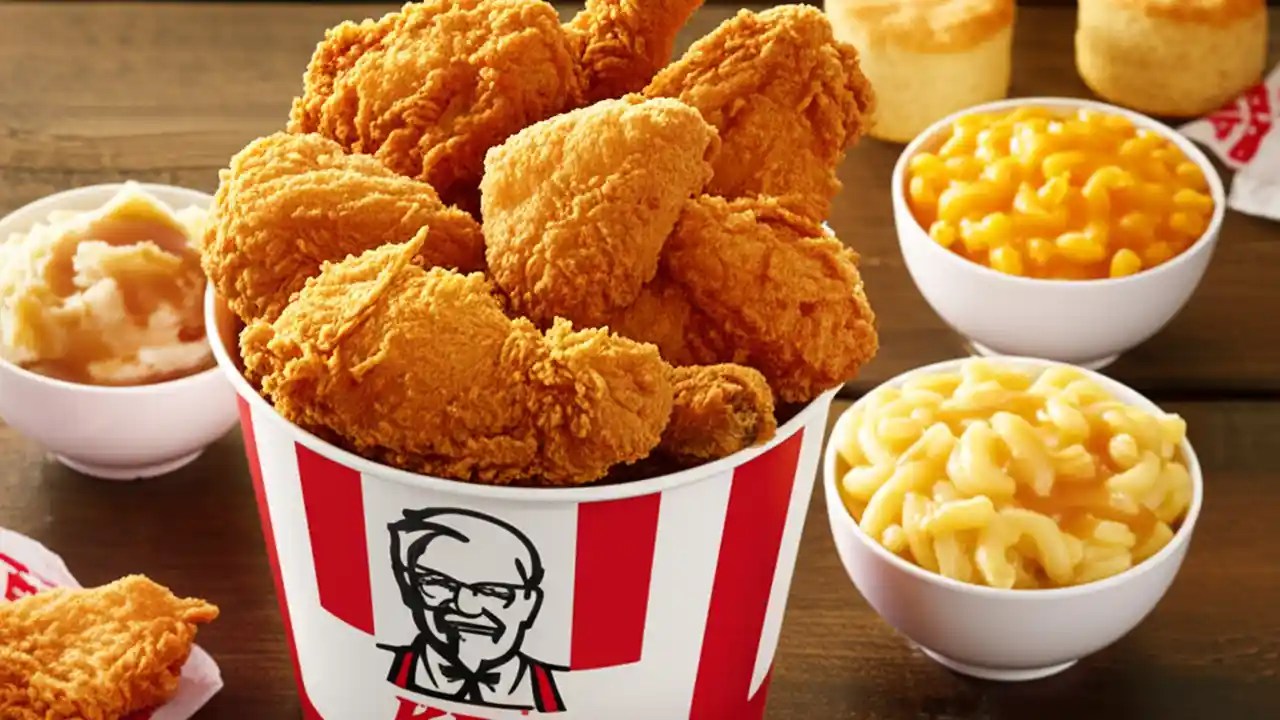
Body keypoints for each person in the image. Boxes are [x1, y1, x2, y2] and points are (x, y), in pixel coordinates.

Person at [380, 509, 565, 713]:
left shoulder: (559, 686)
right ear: (408, 589)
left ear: (529, 605)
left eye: (493, 592)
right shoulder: (373, 666)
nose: (466, 608)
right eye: (439, 583)